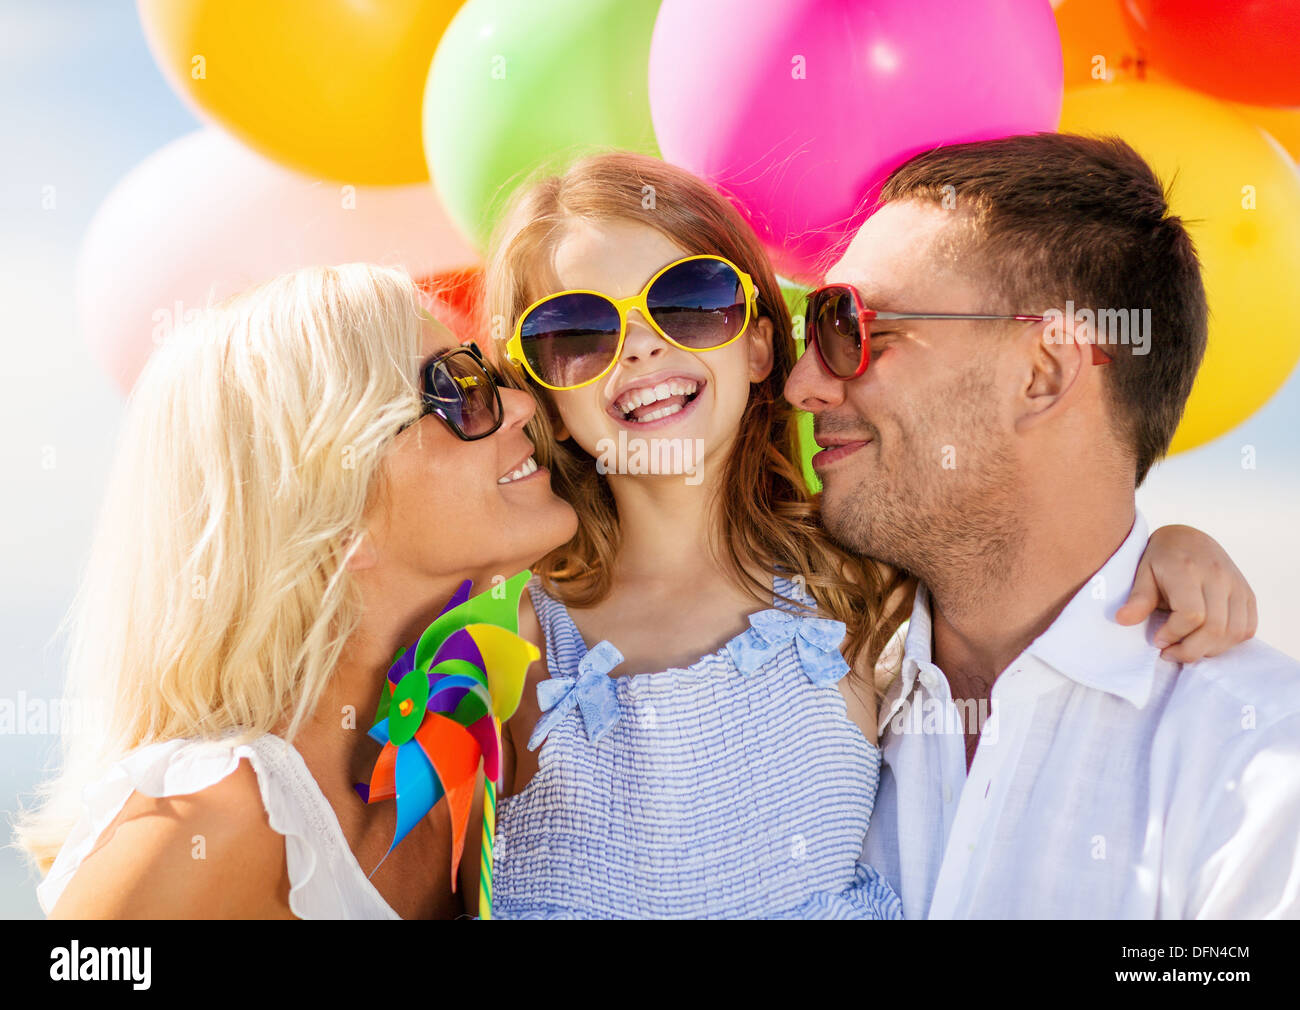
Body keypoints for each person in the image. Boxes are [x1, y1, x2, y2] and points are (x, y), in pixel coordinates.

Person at [477, 151, 1259, 919]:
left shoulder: (854, 587)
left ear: (757, 344)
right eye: (576, 332)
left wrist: (1168, 547)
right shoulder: (514, 639)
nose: (641, 346)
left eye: (687, 302)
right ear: (542, 396)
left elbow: (1019, 548)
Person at [784, 132, 1300, 918]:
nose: (802, 384)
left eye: (851, 326)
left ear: (1042, 374)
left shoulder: (1264, 769)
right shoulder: (791, 696)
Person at [18, 264, 577, 918]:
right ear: (336, 515)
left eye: (479, 373)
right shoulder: (210, 816)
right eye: (455, 389)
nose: (520, 405)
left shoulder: (460, 759)